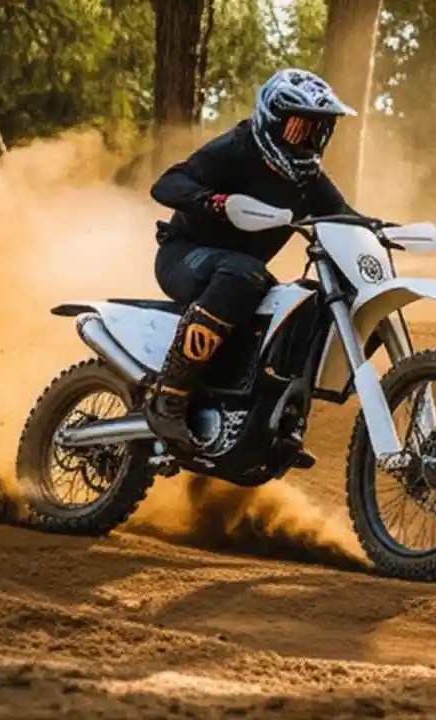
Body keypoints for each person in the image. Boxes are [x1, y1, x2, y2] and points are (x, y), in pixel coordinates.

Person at [143, 68, 359, 450]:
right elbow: (167, 183)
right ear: (273, 122)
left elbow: (344, 216)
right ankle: (169, 398)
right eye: (299, 128)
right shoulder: (237, 148)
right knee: (245, 273)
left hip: (242, 274)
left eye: (318, 131)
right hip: (184, 258)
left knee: (304, 301)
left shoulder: (309, 180)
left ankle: (270, 416)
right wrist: (214, 201)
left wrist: (382, 231)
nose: (308, 140)